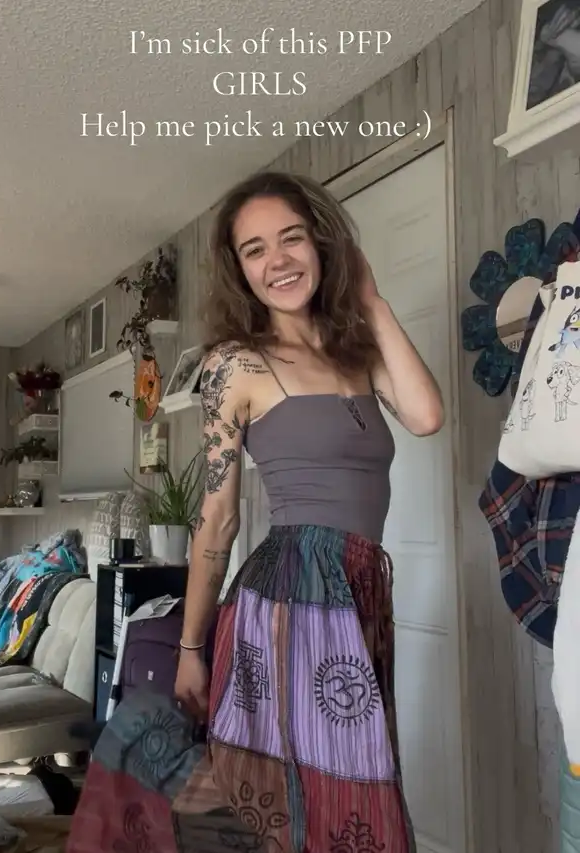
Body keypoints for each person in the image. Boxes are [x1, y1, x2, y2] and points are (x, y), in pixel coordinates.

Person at [168, 170, 444, 853]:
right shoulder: (235, 365)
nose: (278, 260)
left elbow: (425, 415)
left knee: (347, 788)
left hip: (358, 585)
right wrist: (190, 648)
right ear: (239, 269)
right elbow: (218, 517)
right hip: (292, 592)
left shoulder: (356, 351)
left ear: (322, 244)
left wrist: (371, 299)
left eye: (292, 238)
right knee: (314, 799)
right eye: (255, 249)